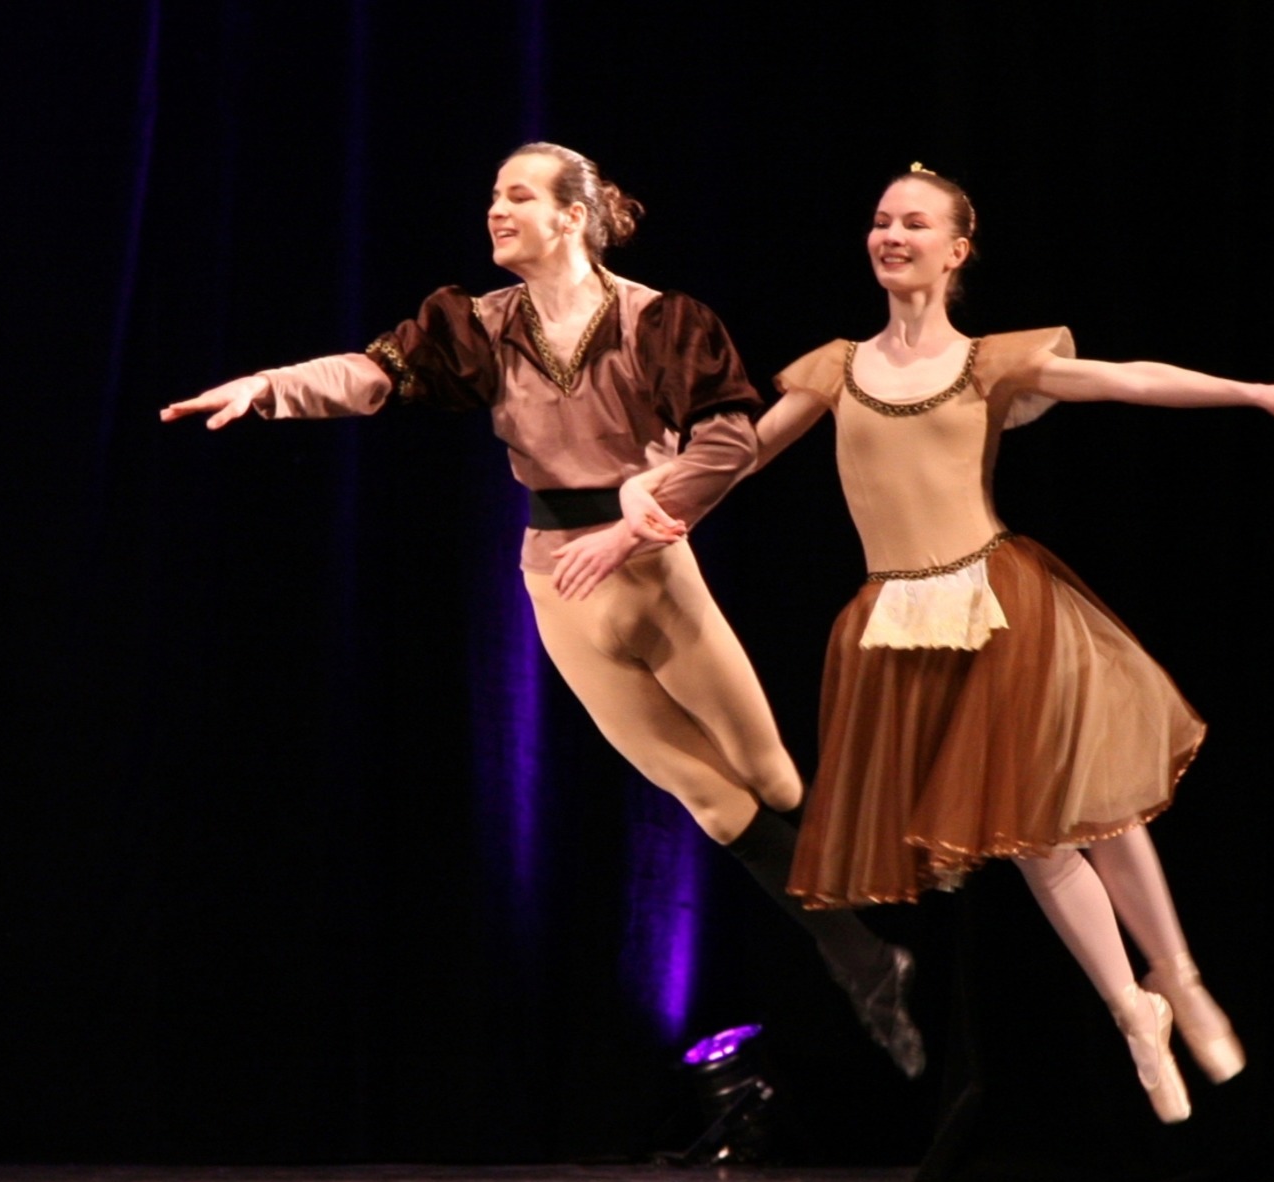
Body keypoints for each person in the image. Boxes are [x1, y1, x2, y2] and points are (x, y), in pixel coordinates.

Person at [159, 144, 923, 1076]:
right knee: (711, 800)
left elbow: (727, 442)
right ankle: (866, 964)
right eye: (494, 194)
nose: (497, 208)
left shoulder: (659, 320)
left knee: (773, 778)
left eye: (518, 195)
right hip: (559, 580)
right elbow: (373, 374)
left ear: (572, 217)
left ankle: (908, 932)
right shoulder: (481, 326)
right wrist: (269, 387)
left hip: (654, 570)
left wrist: (632, 528)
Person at [618, 166, 1274, 1122]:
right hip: (900, 622)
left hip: (999, 600)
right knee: (1030, 837)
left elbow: (1124, 377)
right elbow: (742, 456)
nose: (891, 235)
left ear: (956, 250)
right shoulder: (836, 367)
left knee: (1097, 806)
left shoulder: (990, 362)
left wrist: (1250, 392)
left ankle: (1178, 974)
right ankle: (1133, 1009)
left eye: (914, 223)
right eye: (880, 220)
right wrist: (649, 488)